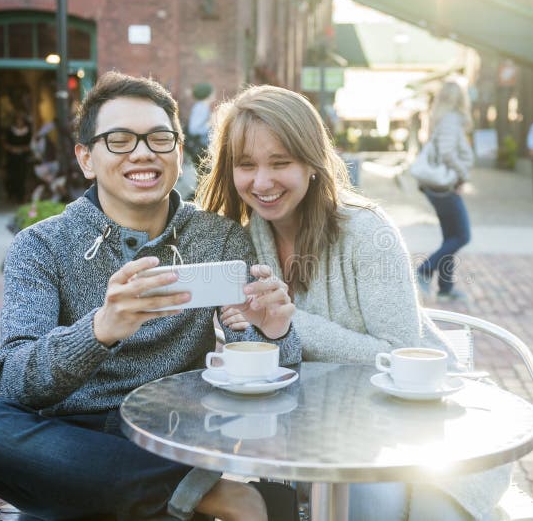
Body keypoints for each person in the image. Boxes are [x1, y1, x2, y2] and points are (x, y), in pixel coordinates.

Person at [0, 71, 300, 521]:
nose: (142, 153)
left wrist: (273, 332)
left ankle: (146, 495)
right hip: (67, 440)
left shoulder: (219, 237)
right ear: (86, 158)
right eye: (119, 140)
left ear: (177, 150)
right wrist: (100, 329)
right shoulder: (41, 245)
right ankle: (209, 496)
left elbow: (262, 377)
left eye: (159, 138)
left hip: (171, 435)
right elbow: (15, 381)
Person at [197, 85, 510, 519]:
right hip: (320, 437)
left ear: (311, 163)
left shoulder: (368, 233)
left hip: (430, 426)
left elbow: (399, 355)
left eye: (281, 163)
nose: (262, 182)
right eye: (246, 165)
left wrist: (288, 323)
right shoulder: (241, 240)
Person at [415, 80, 474, 302]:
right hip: (445, 187)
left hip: (437, 186)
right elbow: (448, 154)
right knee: (462, 236)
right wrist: (462, 176)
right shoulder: (451, 120)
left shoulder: (439, 119)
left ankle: (446, 289)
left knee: (450, 237)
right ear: (460, 99)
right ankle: (424, 270)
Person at [4, 109, 34, 202]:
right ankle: (14, 196)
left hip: (24, 158)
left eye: (21, 120)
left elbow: (30, 145)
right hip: (13, 158)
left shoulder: (28, 131)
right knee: (13, 176)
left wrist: (23, 149)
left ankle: (22, 197)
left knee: (23, 177)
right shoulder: (10, 131)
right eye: (18, 120)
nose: (19, 122)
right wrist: (13, 149)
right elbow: (6, 144)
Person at [187, 82, 215, 177]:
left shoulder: (202, 106)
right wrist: (210, 124)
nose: (214, 94)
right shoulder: (201, 107)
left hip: (203, 147)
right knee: (204, 175)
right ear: (206, 94)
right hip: (201, 147)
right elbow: (194, 129)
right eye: (212, 92)